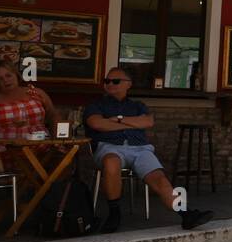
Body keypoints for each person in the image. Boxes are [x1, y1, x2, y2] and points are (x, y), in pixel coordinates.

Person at [83, 67, 212, 232]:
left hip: (140, 148)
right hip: (109, 147)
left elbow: (147, 122)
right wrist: (132, 122)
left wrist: (118, 120)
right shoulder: (97, 105)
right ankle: (114, 213)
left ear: (128, 84)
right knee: (111, 162)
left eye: (115, 81)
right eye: (107, 81)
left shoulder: (138, 106)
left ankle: (185, 214)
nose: (109, 84)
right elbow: (97, 124)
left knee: (158, 177)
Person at [0, 62, 57, 163]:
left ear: (16, 74)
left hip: (40, 149)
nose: (6, 80)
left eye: (8, 75)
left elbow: (53, 117)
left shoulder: (37, 93)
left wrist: (57, 140)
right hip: (2, 153)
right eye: (0, 79)